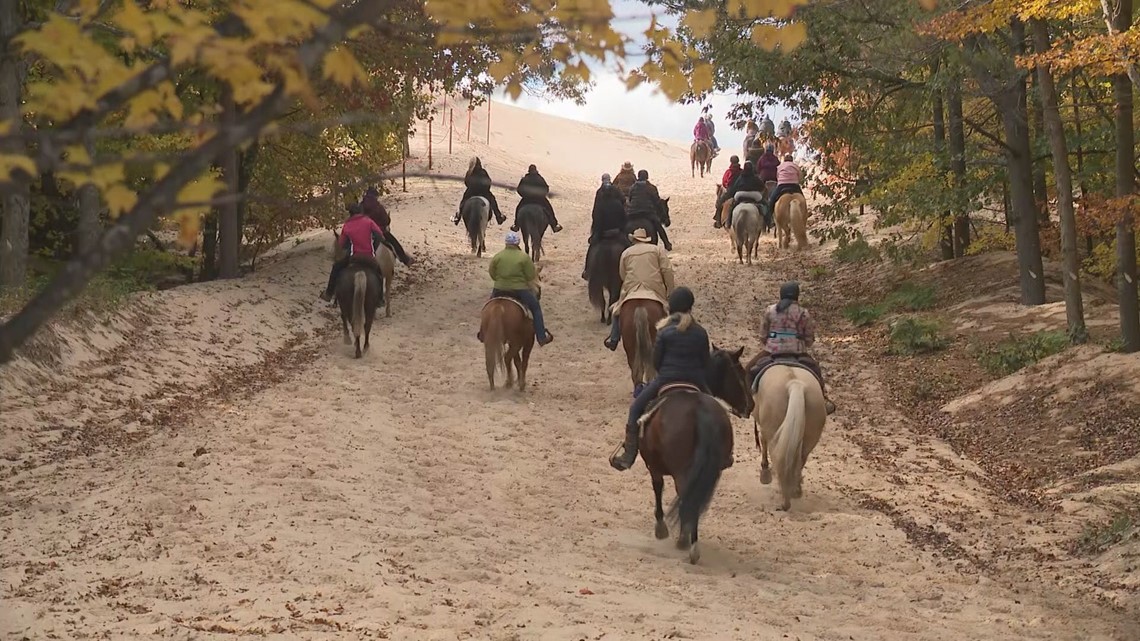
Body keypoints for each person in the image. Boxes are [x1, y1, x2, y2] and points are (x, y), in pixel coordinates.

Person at [609, 286, 710, 471]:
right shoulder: (700, 332)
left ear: (670, 308)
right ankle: (722, 452)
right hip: (695, 380)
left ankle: (629, 453)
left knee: (635, 409)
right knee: (715, 409)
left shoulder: (664, 332)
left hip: (666, 380)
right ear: (690, 308)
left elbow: (656, 362)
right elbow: (705, 362)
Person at [748, 282, 836, 414]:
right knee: (816, 370)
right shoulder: (803, 313)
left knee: (749, 370)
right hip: (798, 352)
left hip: (772, 351)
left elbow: (763, 335)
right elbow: (809, 339)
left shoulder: (770, 310)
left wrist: (771, 342)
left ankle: (747, 400)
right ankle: (823, 398)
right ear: (797, 295)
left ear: (781, 294)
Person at [603, 227, 674, 351]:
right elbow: (667, 270)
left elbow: (622, 274)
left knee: (616, 311)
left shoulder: (626, 253)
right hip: (653, 288)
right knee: (669, 311)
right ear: (646, 239)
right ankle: (673, 338)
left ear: (634, 240)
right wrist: (670, 291)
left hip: (632, 289)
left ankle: (614, 338)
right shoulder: (657, 250)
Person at [485, 231, 554, 346]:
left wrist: (501, 280)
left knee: (487, 307)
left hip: (499, 288)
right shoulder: (524, 257)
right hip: (519, 289)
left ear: (506, 243)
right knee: (536, 308)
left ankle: (483, 332)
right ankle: (541, 336)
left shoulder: (498, 256)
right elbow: (530, 276)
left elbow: (492, 273)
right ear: (517, 243)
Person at [319, 203, 386, 302]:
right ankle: (380, 298)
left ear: (350, 213)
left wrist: (348, 245)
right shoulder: (369, 221)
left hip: (354, 257)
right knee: (379, 274)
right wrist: (373, 248)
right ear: (361, 212)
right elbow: (380, 235)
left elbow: (341, 244)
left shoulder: (347, 225)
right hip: (369, 257)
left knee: (336, 268)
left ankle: (329, 294)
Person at [583, 173, 629, 280]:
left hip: (603, 234)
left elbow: (596, 219)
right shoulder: (618, 202)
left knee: (592, 248)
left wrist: (596, 234)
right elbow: (624, 219)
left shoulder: (600, 200)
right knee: (628, 246)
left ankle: (587, 271)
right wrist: (622, 230)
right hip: (617, 232)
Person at [361, 187, 413, 266]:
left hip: (363, 232)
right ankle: (405, 259)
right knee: (394, 243)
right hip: (379, 231)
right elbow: (385, 220)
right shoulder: (378, 207)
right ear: (376, 196)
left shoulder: (361, 206)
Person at [627, 169, 672, 251]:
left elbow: (630, 199)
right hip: (647, 212)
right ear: (647, 177)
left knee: (624, 226)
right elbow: (656, 201)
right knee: (658, 226)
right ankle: (667, 244)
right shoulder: (651, 187)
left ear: (638, 177)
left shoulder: (632, 187)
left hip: (633, 213)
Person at [453, 157, 506, 226]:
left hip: (471, 192)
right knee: (492, 200)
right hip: (484, 192)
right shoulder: (483, 172)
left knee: (463, 201)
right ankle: (498, 216)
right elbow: (488, 182)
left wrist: (471, 186)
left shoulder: (469, 172)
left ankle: (458, 216)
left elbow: (466, 182)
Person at [511, 164, 562, 234]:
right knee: (549, 209)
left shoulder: (525, 179)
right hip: (540, 200)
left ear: (529, 171)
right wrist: (541, 195)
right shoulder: (540, 178)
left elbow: (519, 189)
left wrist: (524, 195)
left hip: (527, 199)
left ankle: (516, 225)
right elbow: (546, 189)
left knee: (519, 208)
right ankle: (554, 225)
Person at [718, 161, 766, 230]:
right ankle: (768, 221)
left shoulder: (740, 177)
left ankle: (728, 221)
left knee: (732, 206)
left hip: (740, 194)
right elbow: (762, 186)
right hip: (754, 195)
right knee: (766, 204)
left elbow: (735, 187)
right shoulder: (755, 177)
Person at [712, 155, 743, 227]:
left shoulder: (729, 171)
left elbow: (724, 182)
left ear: (731, 162)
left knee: (719, 203)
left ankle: (718, 221)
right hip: (741, 190)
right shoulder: (742, 171)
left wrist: (726, 186)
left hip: (731, 192)